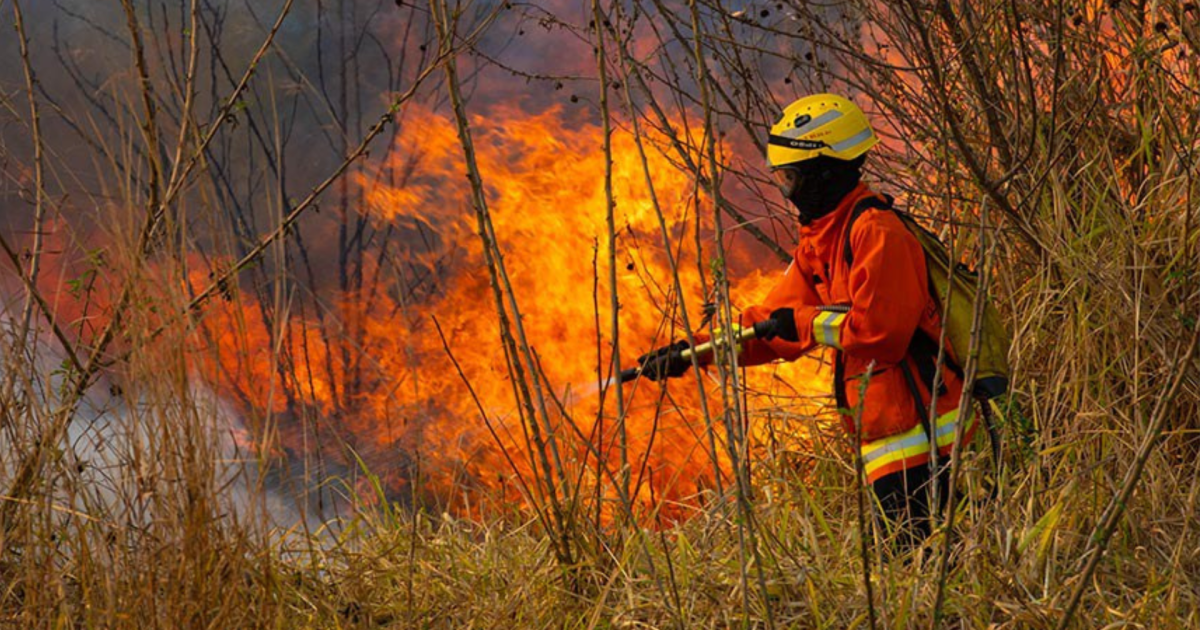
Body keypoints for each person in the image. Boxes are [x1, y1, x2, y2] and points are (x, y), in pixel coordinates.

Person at [636, 93, 975, 547]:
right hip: (889, 434)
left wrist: (808, 324)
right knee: (910, 567)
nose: (787, 190)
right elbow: (773, 324)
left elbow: (881, 335)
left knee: (929, 565)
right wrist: (694, 352)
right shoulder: (825, 241)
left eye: (790, 178)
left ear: (825, 172)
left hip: (929, 437)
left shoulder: (876, 233)